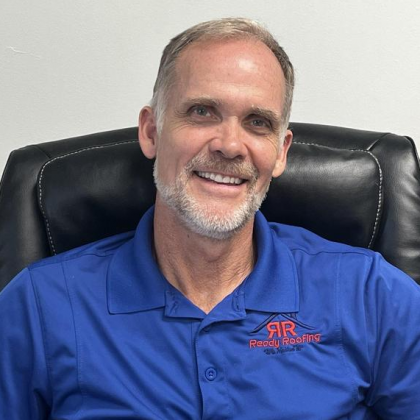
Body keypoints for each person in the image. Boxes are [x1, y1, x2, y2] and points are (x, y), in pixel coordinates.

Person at [1, 17, 419, 420]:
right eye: (202, 112)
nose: (230, 145)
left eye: (258, 122)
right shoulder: (38, 305)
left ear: (281, 152)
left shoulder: (372, 295)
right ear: (151, 132)